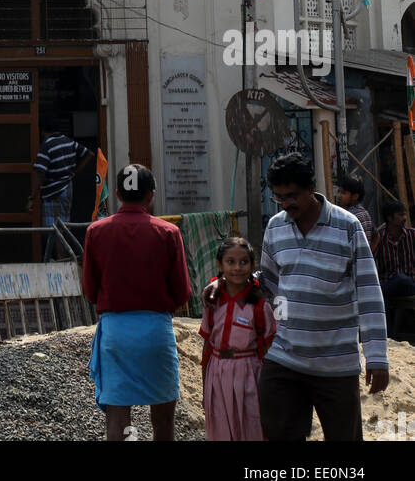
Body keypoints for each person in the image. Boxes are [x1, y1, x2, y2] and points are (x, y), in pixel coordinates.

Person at [256, 153, 388, 441]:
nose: (286, 204)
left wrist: (376, 356)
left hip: (336, 365)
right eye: (279, 198)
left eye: (292, 196)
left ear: (311, 188)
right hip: (285, 359)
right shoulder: (275, 228)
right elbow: (271, 286)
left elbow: (368, 292)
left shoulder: (348, 226)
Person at [82, 164, 190, 442]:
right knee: (163, 420)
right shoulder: (168, 232)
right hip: (156, 330)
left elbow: (90, 290)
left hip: (116, 332)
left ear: (117, 194)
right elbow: (182, 292)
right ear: (151, 196)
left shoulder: (96, 231)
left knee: (118, 418)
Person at [199, 235, 277, 441]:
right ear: (220, 265)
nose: (237, 268)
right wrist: (205, 382)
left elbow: (270, 350)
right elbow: (207, 342)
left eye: (244, 262)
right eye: (230, 262)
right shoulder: (212, 301)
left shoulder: (261, 307)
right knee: (220, 428)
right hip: (216, 371)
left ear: (252, 265)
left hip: (249, 372)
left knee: (251, 426)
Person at [28, 122, 93, 261]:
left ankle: (60, 260)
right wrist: (74, 173)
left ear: (43, 131)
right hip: (67, 188)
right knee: (63, 225)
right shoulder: (68, 142)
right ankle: (61, 258)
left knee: (55, 229)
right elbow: (88, 154)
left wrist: (32, 197)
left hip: (54, 192)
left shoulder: (47, 145)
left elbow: (40, 173)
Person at [373, 201, 415, 323]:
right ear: (389, 218)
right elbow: (370, 258)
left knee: (402, 280)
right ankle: (388, 335)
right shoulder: (380, 237)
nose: (404, 218)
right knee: (384, 295)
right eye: (401, 215)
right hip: (389, 284)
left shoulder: (412, 235)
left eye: (404, 215)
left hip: (409, 284)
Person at [336, 173, 375, 245]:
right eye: (338, 191)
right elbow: (376, 236)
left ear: (355, 196)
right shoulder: (364, 212)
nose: (339, 196)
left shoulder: (351, 215)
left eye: (343, 193)